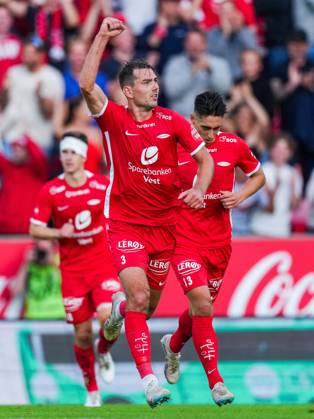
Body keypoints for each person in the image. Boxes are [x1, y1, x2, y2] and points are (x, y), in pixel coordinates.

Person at [79, 17, 213, 408]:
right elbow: (87, 84)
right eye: (147, 81)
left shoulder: (172, 121)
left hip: (165, 229)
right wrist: (102, 35)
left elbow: (204, 160)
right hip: (124, 224)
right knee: (138, 294)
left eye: (156, 80)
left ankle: (118, 310)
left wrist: (199, 190)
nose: (155, 86)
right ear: (128, 91)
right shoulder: (113, 119)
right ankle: (149, 381)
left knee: (144, 307)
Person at [160, 91, 265, 406]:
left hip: (219, 244)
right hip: (183, 241)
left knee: (198, 311)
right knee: (204, 306)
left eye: (217, 128)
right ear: (192, 120)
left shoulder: (233, 145)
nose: (212, 134)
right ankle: (216, 383)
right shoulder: (174, 147)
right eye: (206, 128)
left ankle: (173, 345)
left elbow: (259, 176)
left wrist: (240, 196)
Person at [29, 131, 122, 408]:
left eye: (72, 153)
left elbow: (122, 210)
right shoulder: (51, 190)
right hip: (71, 271)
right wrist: (60, 232)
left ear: (83, 156)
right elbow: (34, 228)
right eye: (64, 152)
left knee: (110, 320)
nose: (67, 158)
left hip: (102, 265)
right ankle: (92, 390)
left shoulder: (101, 185)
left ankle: (103, 351)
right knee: (82, 334)